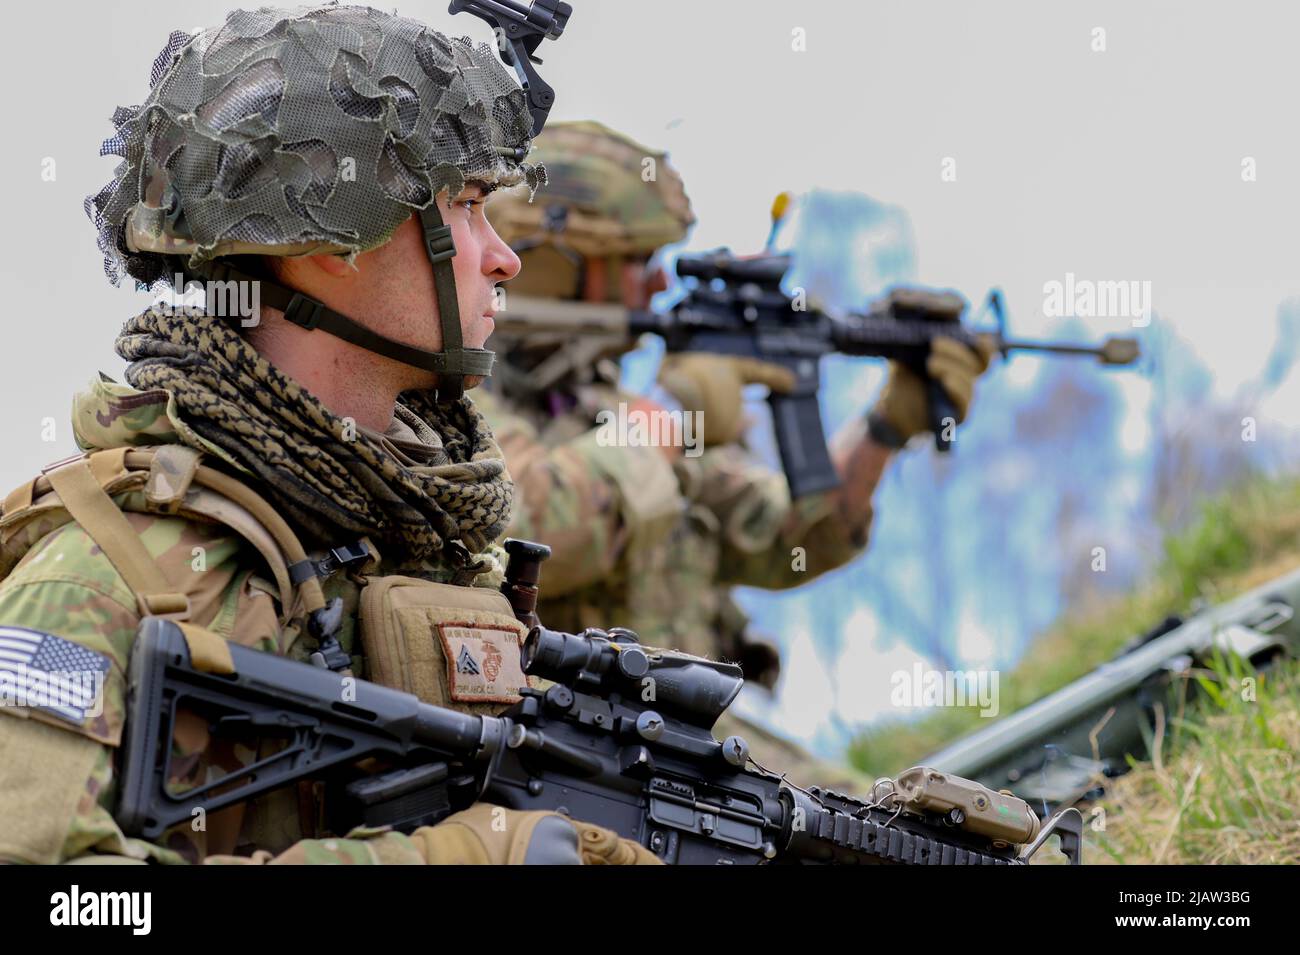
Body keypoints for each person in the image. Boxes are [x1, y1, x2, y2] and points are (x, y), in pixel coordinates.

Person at [0, 4, 655, 866]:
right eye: (463, 206)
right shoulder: (101, 576)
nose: (503, 258)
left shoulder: (421, 534)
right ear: (329, 242)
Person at [477, 121, 995, 789]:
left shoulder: (607, 410)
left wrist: (883, 431)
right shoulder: (466, 408)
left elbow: (778, 535)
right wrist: (673, 411)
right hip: (560, 758)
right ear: (556, 265)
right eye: (636, 262)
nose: (657, 282)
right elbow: (535, 526)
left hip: (676, 744)